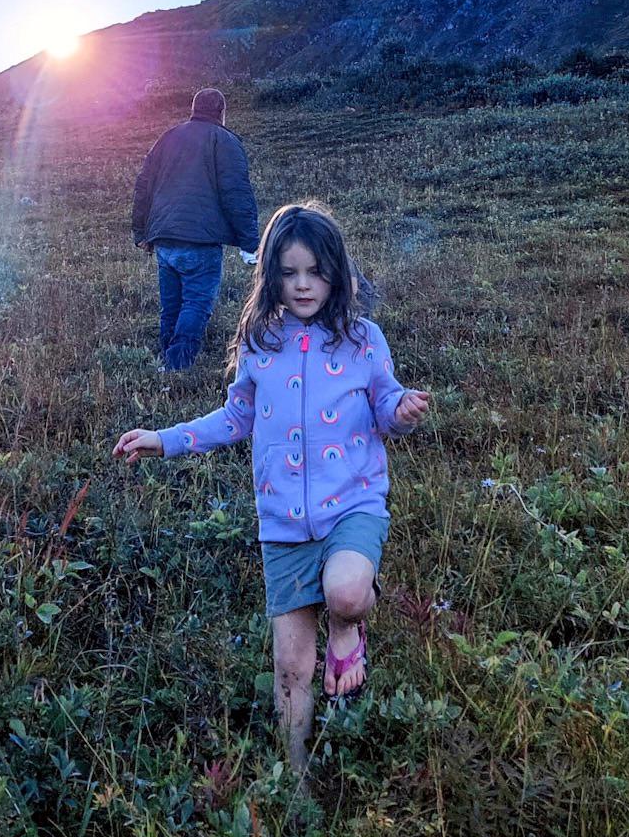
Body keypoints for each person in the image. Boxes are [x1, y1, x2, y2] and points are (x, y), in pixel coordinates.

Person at [113, 203, 430, 773]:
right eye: (288, 272)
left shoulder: (362, 338)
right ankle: (298, 781)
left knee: (348, 594)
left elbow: (385, 406)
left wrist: (402, 411)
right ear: (271, 277)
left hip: (352, 506)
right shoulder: (261, 340)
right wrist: (165, 438)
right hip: (282, 524)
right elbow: (235, 419)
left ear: (337, 270)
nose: (303, 284)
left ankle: (346, 631)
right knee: (289, 669)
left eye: (315, 271)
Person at [131, 88, 259, 370]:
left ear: (193, 108)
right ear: (222, 112)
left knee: (171, 306)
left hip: (164, 238)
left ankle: (168, 361)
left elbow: (143, 185)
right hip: (201, 241)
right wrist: (250, 243)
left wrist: (141, 232)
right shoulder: (224, 141)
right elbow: (236, 193)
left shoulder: (167, 138)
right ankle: (177, 366)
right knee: (196, 304)